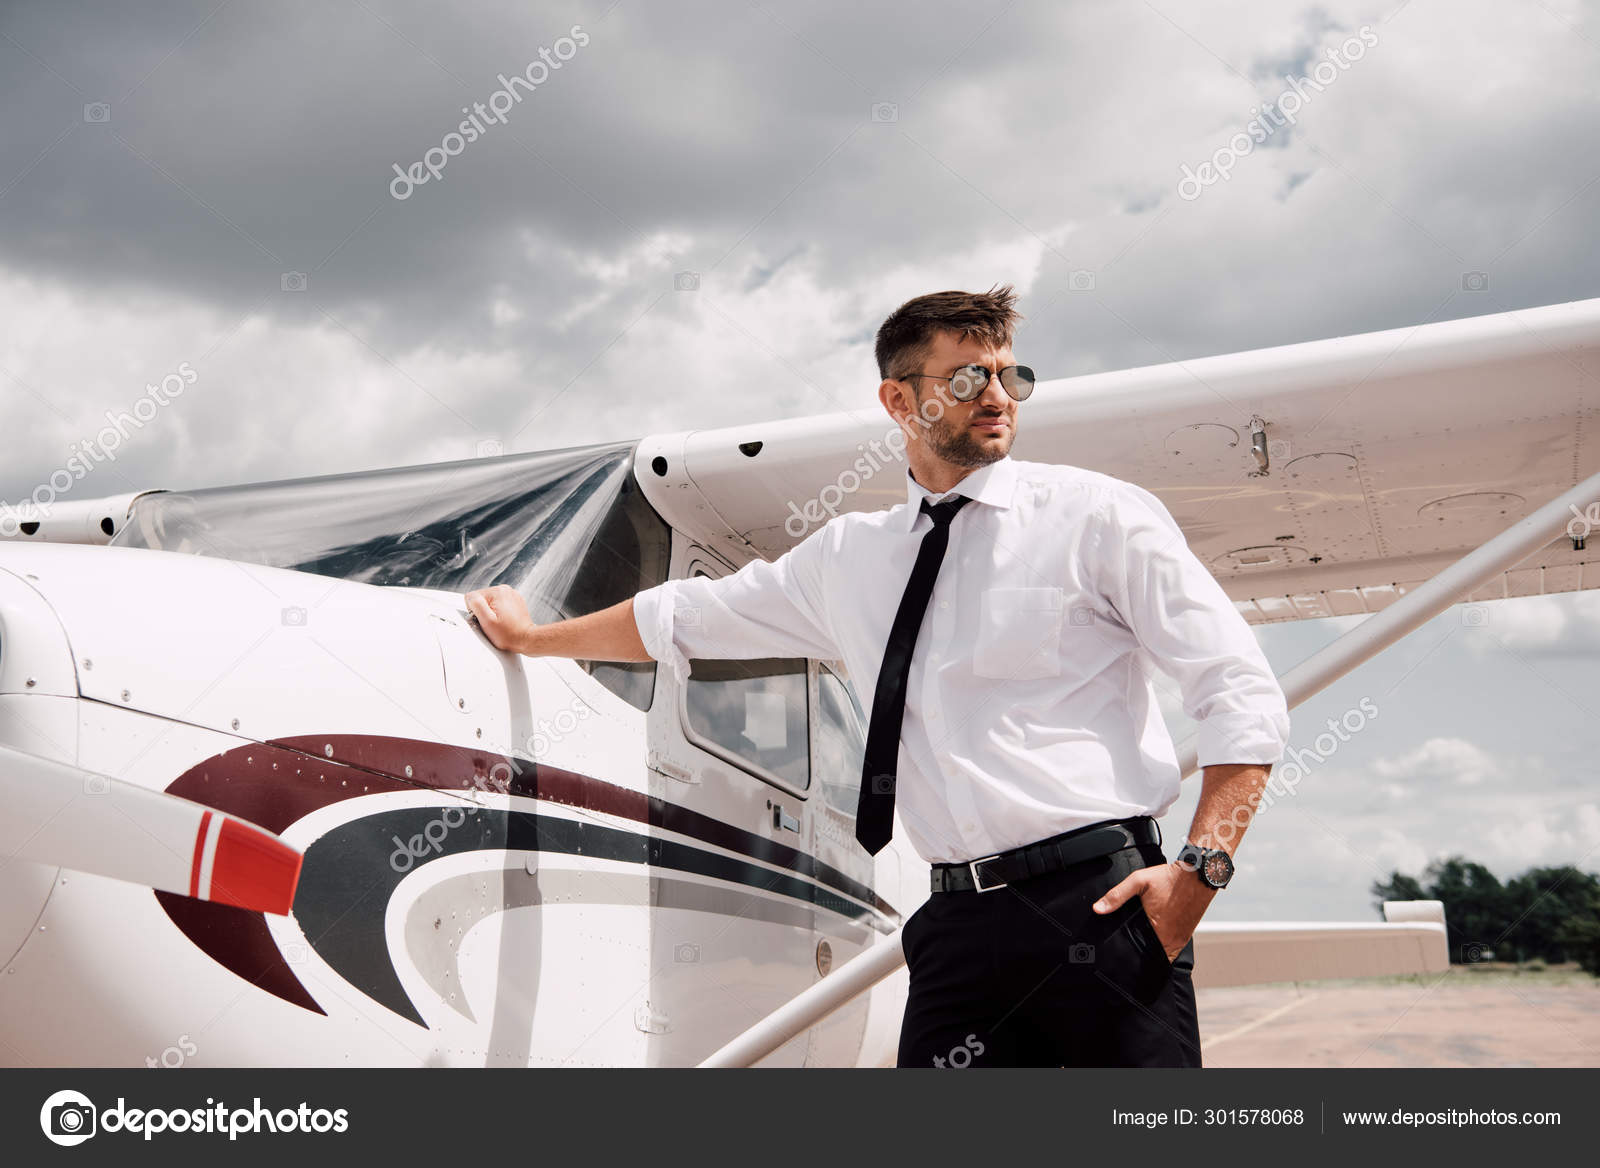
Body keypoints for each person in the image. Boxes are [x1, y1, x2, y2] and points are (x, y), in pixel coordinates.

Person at [465, 285, 1290, 1067]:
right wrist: (534, 639)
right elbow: (683, 618)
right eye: (969, 377)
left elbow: (1240, 692)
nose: (997, 395)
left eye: (1011, 376)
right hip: (954, 925)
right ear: (899, 401)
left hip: (1102, 908)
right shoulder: (848, 556)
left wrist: (1199, 872)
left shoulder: (1099, 515)